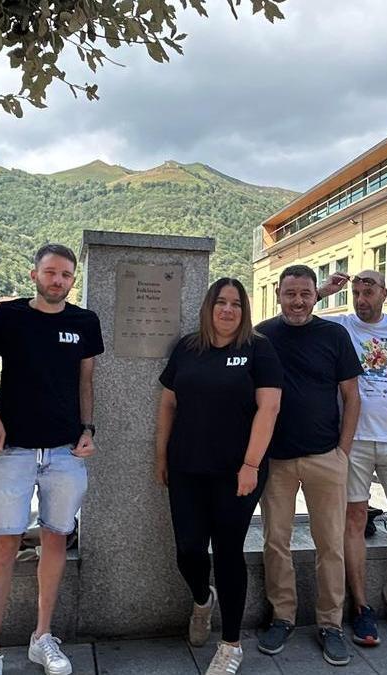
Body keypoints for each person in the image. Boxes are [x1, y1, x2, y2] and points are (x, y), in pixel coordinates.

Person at [0, 244, 103, 675]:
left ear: (72, 280)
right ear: (34, 275)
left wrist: (88, 430)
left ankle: (42, 637)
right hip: (13, 450)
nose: (57, 281)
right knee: (4, 546)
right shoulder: (8, 315)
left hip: (65, 452)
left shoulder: (84, 322)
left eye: (65, 275)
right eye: (50, 272)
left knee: (56, 541)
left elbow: (86, 381)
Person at [154, 278, 284, 675]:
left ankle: (230, 644)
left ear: (244, 311)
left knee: (228, 553)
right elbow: (168, 404)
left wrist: (251, 465)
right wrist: (161, 456)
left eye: (236, 304)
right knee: (188, 551)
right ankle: (201, 599)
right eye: (221, 302)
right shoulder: (187, 348)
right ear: (208, 307)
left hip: (237, 472)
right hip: (186, 467)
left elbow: (269, 409)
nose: (228, 310)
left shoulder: (258, 349)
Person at [255, 264, 362, 667]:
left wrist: (342, 452)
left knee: (330, 544)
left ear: (315, 295)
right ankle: (282, 617)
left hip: (325, 457)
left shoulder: (334, 335)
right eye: (290, 294)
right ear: (278, 295)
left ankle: (331, 624)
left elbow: (352, 396)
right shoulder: (262, 335)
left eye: (305, 294)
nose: (297, 301)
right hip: (276, 460)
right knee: (275, 541)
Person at [316, 270, 387, 646]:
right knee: (354, 520)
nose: (361, 299)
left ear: (384, 292)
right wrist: (324, 290)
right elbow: (295, 311)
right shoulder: (340, 326)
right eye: (356, 293)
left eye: (369, 291)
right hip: (354, 438)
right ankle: (361, 605)